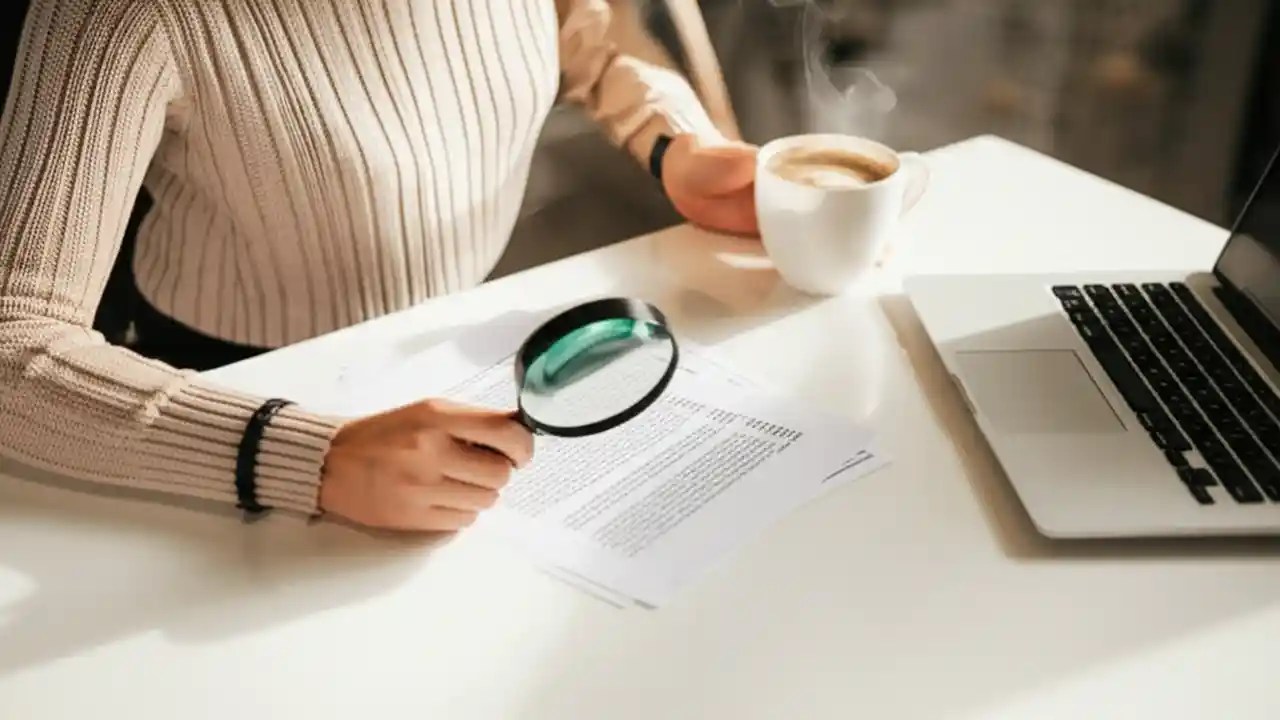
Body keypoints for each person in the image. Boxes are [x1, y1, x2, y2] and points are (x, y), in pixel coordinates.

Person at [0, 0, 758, 532]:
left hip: (447, 366)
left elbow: (590, 33)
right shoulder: (111, 14)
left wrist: (672, 142)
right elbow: (12, 344)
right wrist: (307, 458)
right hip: (222, 404)